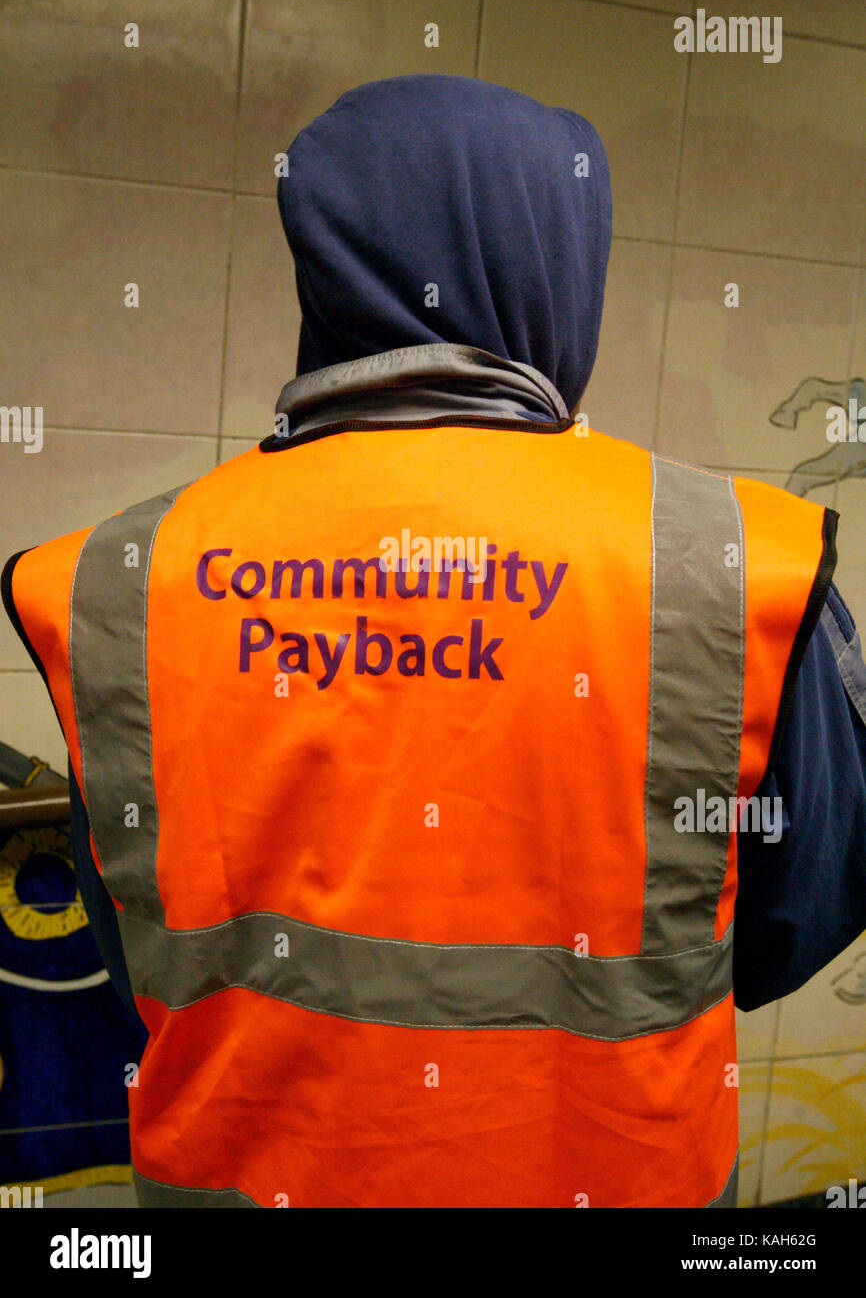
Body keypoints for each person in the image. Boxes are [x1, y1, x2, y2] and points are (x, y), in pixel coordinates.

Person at [3, 74, 865, 1209]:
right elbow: (793, 919)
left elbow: (136, 957)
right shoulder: (729, 556)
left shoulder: (114, 576)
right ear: (556, 268)